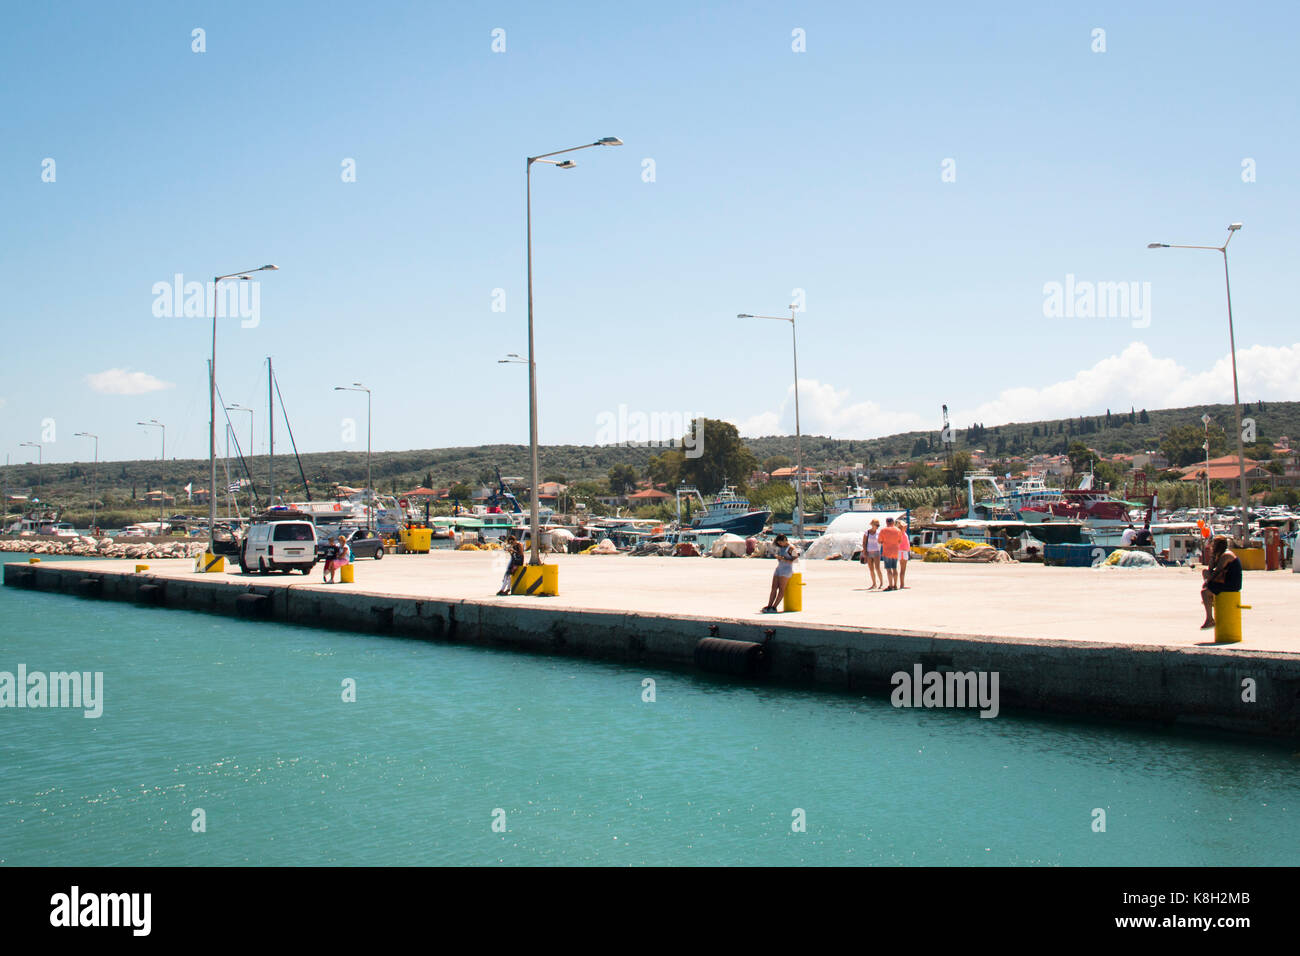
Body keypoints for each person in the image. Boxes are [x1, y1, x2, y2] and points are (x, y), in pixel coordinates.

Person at [1200, 535, 1241, 629]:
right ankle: (1210, 601)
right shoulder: (1220, 555)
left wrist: (1207, 582)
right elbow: (1211, 571)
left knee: (1205, 593)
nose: (1212, 547)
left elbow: (1216, 572)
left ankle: (1209, 619)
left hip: (1232, 584)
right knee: (1205, 574)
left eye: (1214, 545)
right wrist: (1212, 558)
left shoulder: (1226, 555)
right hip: (1225, 581)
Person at [763, 534, 800, 612]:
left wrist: (784, 559)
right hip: (779, 568)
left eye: (781, 542)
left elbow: (795, 560)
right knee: (773, 588)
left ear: (785, 540)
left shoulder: (791, 548)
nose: (780, 544)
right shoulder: (781, 548)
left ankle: (774, 607)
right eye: (778, 543)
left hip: (786, 570)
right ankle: (769, 606)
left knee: (781, 589)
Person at [877, 517, 904, 591]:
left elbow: (879, 541)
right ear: (893, 522)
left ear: (886, 522)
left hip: (887, 552)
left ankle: (890, 585)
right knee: (894, 569)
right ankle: (895, 585)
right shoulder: (898, 530)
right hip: (895, 551)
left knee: (888, 570)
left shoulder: (883, 530)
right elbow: (900, 541)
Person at [860, 519, 883, 590]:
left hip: (876, 551)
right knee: (871, 569)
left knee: (877, 568)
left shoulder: (879, 533)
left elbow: (881, 541)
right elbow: (864, 542)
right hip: (869, 552)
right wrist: (865, 551)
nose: (877, 527)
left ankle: (881, 583)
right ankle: (874, 583)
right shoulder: (867, 532)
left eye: (878, 525)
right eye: (876, 525)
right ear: (872, 525)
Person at [897, 518, 911, 588]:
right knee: (903, 569)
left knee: (903, 569)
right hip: (903, 551)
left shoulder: (902, 533)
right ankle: (902, 584)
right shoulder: (901, 533)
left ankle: (902, 584)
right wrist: (901, 524)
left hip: (903, 551)